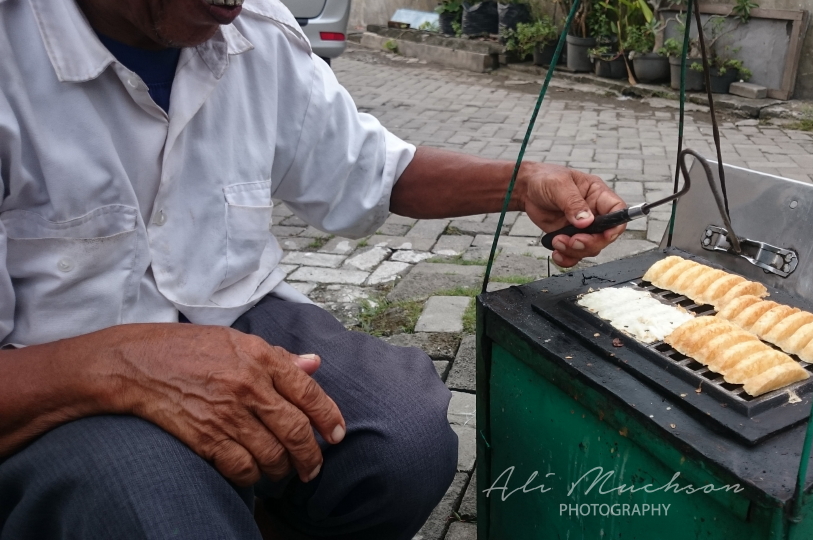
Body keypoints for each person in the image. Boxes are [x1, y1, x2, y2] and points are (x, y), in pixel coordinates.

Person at [0, 0, 627, 537]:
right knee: (158, 505)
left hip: (229, 307)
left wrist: (524, 185)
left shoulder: (255, 31)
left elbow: (371, 169)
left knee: (403, 441)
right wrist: (128, 366)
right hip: (46, 364)